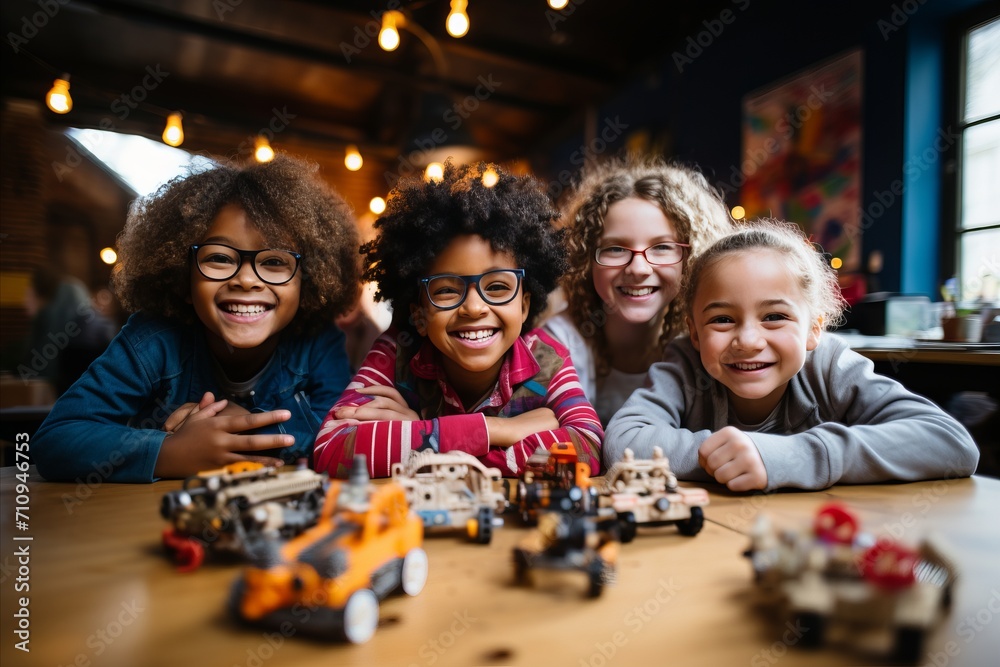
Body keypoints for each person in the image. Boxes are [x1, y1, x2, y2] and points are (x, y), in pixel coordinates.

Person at [33, 153, 362, 482]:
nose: (246, 280)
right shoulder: (153, 340)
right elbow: (57, 439)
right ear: (182, 278)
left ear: (307, 282)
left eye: (275, 262)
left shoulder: (319, 340)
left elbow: (342, 437)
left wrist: (240, 429)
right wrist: (171, 451)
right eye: (219, 257)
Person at [604, 219, 979, 492]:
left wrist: (790, 456)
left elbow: (951, 443)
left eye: (774, 317)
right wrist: (721, 458)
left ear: (815, 328)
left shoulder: (831, 365)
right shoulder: (685, 364)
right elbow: (622, 442)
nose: (748, 340)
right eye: (722, 319)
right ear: (696, 333)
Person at [313, 162, 603, 479]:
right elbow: (333, 450)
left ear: (524, 305)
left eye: (497, 287)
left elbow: (587, 448)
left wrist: (424, 436)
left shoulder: (549, 359)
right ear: (418, 314)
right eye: (448, 290)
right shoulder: (396, 353)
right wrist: (500, 431)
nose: (474, 308)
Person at [543, 156, 734, 426]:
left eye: (662, 247)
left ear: (691, 259)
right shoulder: (558, 341)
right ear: (585, 260)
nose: (639, 268)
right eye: (616, 249)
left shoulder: (707, 341)